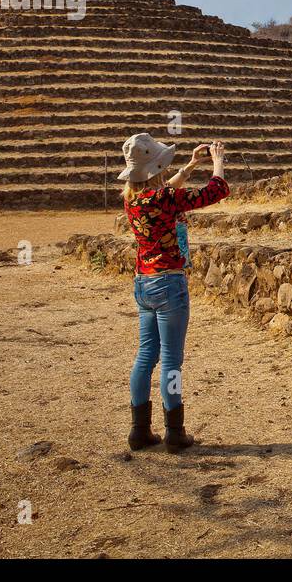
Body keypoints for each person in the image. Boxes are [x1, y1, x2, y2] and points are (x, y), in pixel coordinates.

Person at [118, 133, 229, 452]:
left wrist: (193, 164)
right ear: (156, 168)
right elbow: (214, 191)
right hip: (169, 283)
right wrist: (218, 162)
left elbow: (167, 190)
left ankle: (139, 430)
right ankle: (175, 432)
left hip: (144, 281)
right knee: (171, 360)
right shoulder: (164, 199)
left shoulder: (133, 199)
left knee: (145, 356)